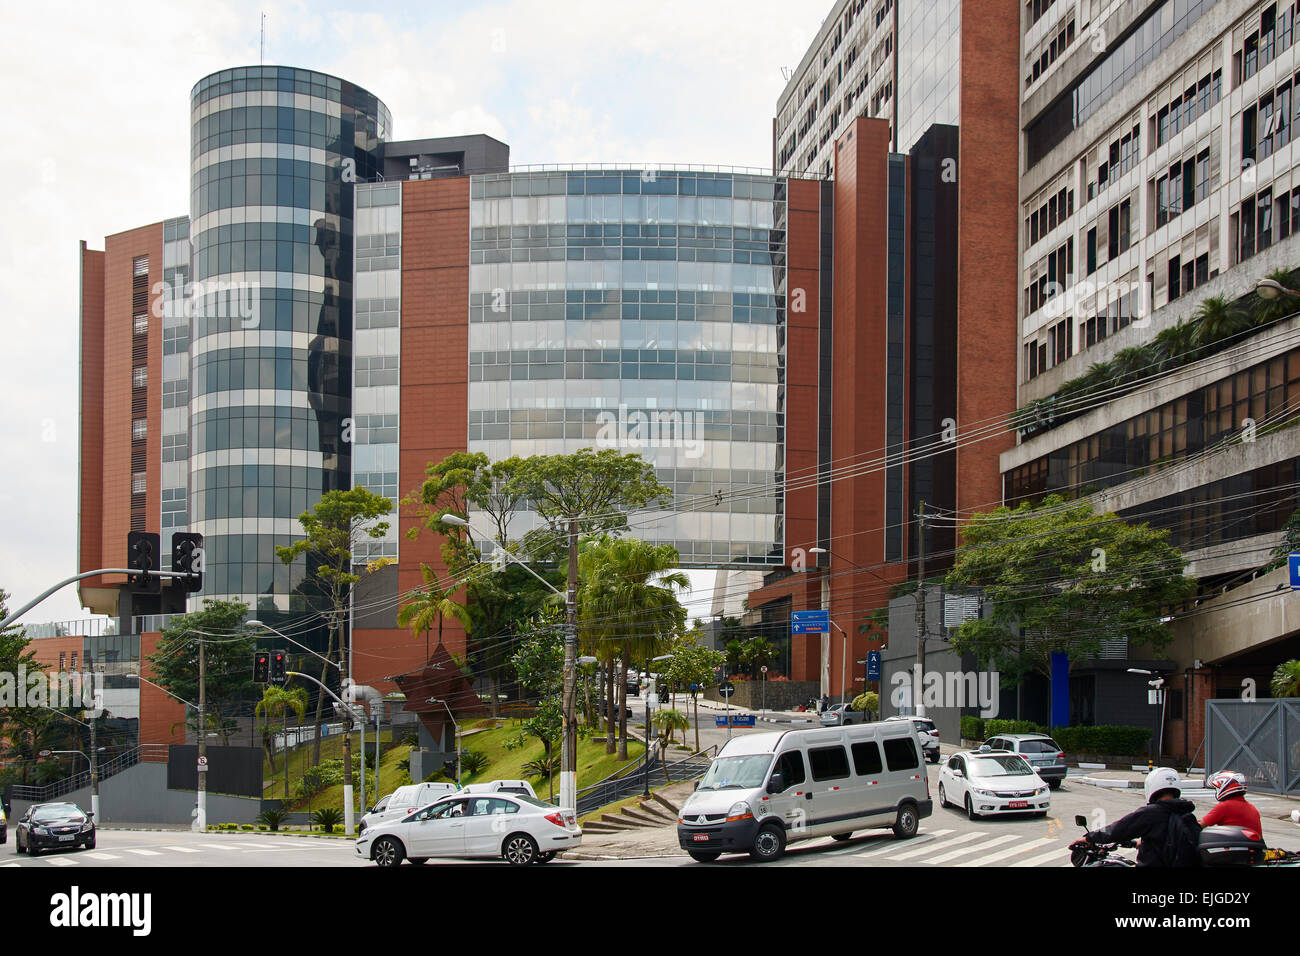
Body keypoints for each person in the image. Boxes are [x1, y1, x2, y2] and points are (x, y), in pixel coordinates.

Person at [1078, 767, 1201, 867]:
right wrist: (1137, 843)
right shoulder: (1186, 813)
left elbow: (1119, 829)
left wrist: (1089, 838)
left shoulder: (1151, 812)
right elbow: (1164, 838)